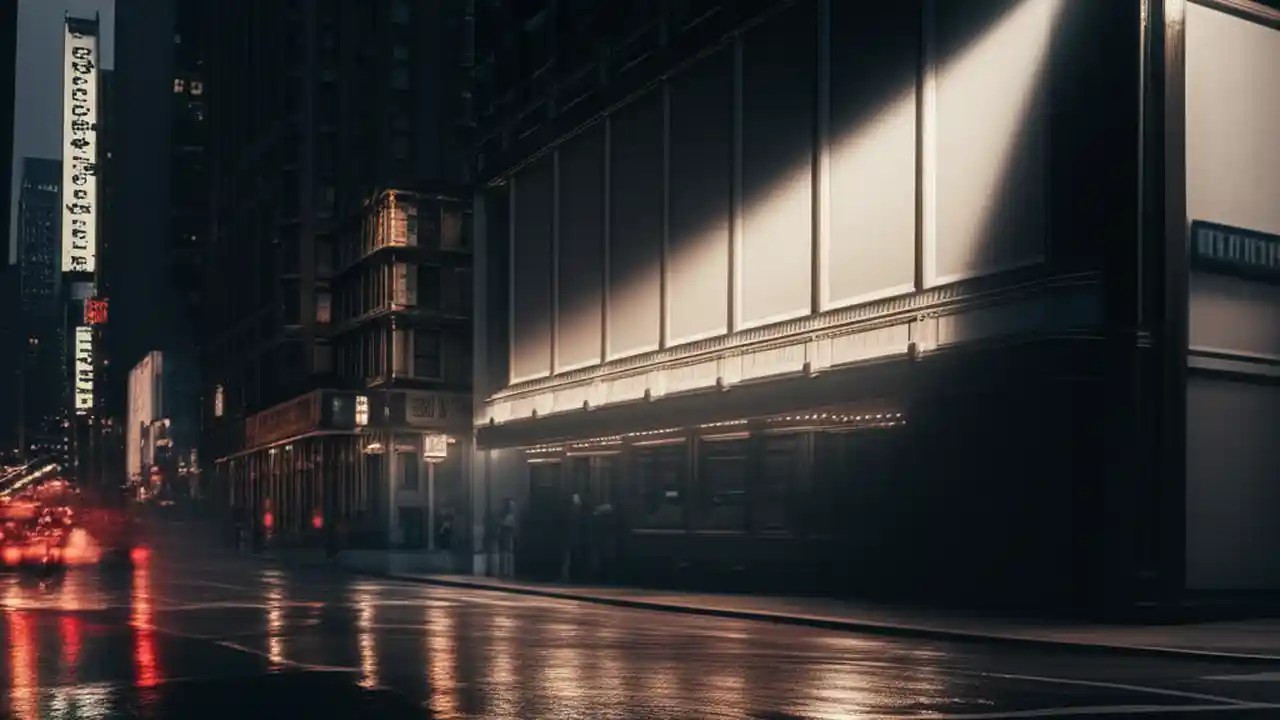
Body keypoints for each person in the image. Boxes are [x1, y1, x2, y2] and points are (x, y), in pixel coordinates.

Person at [498, 498, 517, 578]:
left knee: (507, 554)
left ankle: (507, 572)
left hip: (507, 537)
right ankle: (507, 572)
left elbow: (506, 525)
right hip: (507, 537)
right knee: (507, 554)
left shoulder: (509, 516)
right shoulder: (511, 516)